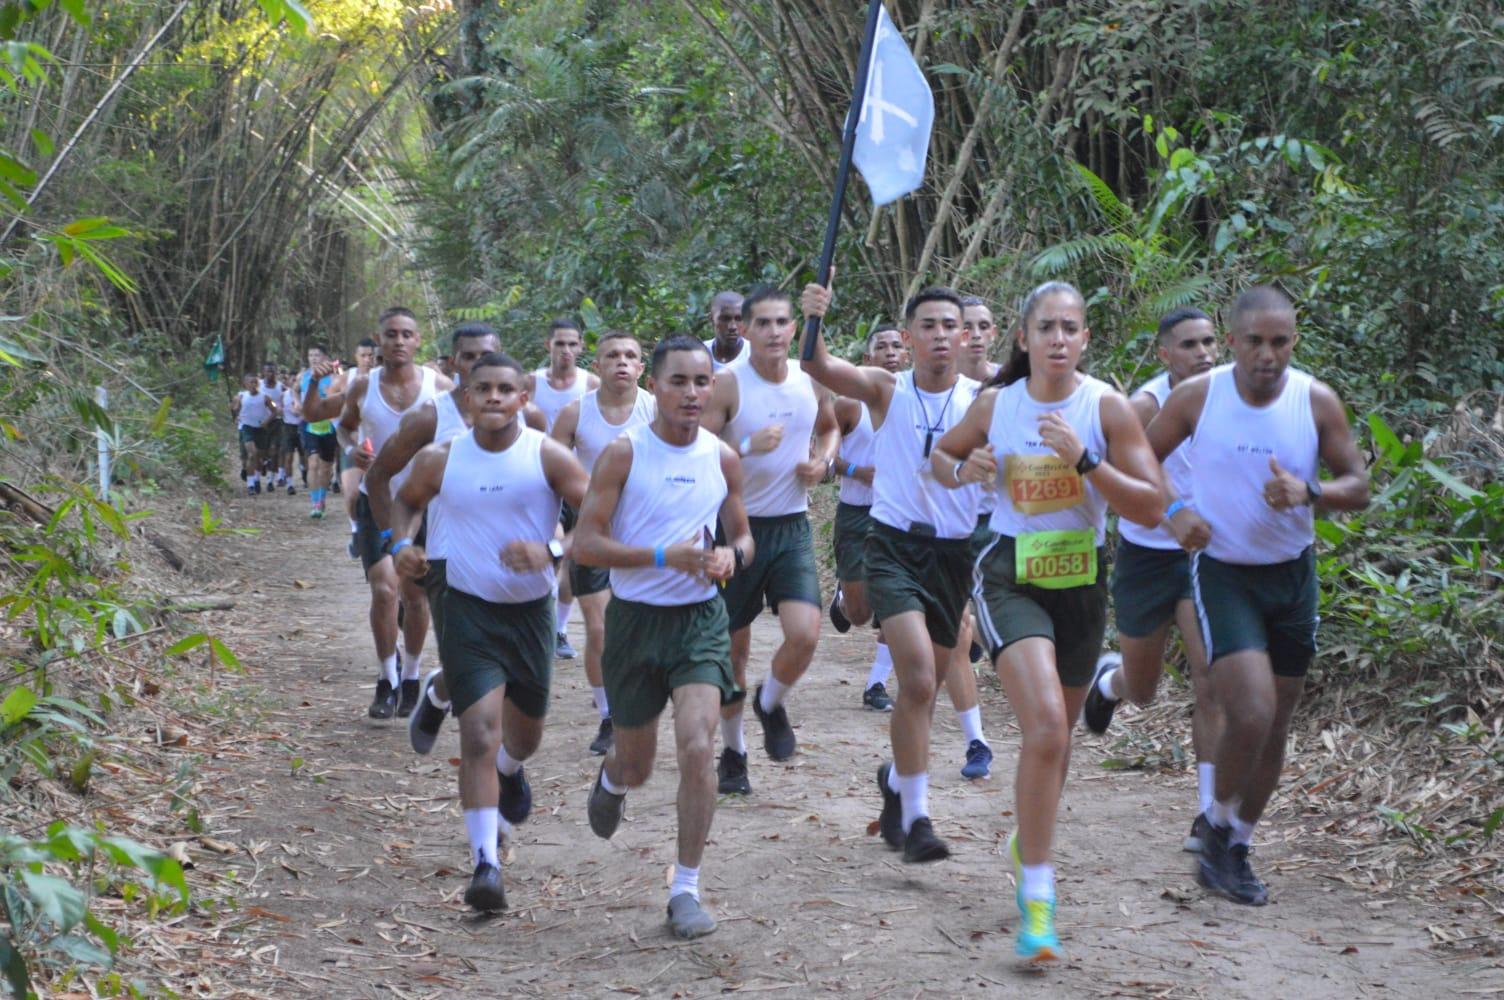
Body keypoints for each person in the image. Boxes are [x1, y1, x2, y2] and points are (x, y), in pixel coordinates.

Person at [931, 280, 1164, 961]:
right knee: (1045, 727)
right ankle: (1039, 900)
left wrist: (1086, 461)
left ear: (1085, 339)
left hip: (1080, 582)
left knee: (1055, 744)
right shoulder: (997, 404)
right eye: (1046, 328)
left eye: (1070, 327)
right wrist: (961, 468)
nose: (1058, 338)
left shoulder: (1106, 407)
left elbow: (1152, 507)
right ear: (1024, 339)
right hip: (1010, 573)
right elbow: (942, 457)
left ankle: (1025, 835)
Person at [1145, 286, 1368, 905]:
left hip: (1292, 577)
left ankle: (1233, 842)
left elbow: (1359, 483)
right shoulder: (1199, 397)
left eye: (1281, 342)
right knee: (1251, 711)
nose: (1268, 355)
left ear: (1293, 341)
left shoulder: (1314, 400)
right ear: (1234, 341)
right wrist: (1174, 510)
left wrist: (1309, 492)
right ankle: (1216, 821)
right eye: (1255, 342)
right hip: (1224, 573)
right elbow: (1140, 454)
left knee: (1277, 725)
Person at [390, 351, 590, 911]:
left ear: (524, 399)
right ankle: (485, 865)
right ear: (468, 399)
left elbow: (600, 514)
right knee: (479, 732)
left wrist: (552, 550)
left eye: (507, 389)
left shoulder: (546, 456)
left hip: (528, 612)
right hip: (465, 600)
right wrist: (401, 545)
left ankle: (495, 754)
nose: (496, 398)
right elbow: (404, 502)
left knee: (522, 738)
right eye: (485, 390)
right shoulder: (440, 458)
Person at [574, 334, 754, 940]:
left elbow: (744, 536)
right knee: (638, 762)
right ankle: (612, 780)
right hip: (634, 621)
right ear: (655, 387)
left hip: (699, 622)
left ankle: (685, 890)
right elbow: (585, 544)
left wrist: (730, 555)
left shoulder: (722, 457)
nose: (692, 392)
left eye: (702, 381)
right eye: (679, 381)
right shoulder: (625, 455)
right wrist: (659, 555)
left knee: (699, 747)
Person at [801, 282, 984, 864]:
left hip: (953, 556)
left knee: (919, 692)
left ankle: (897, 784)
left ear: (964, 336)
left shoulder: (985, 400)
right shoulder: (887, 387)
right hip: (893, 548)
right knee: (921, 680)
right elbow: (817, 364)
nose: (938, 336)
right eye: (926, 326)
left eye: (948, 326)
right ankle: (920, 817)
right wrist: (815, 318)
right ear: (907, 338)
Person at [1082, 308, 1223, 852]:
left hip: (1206, 559)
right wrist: (1172, 513)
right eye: (1189, 344)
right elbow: (1126, 472)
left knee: (1210, 680)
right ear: (1165, 354)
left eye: (1209, 341)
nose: (1203, 352)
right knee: (1143, 691)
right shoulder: (1143, 406)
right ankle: (1110, 682)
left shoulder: (1234, 398)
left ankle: (1210, 817)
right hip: (1147, 557)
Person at [366, 323, 547, 743]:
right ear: (453, 363)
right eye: (469, 357)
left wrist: (552, 543)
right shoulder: (431, 418)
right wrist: (395, 543)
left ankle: (438, 692)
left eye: (488, 354)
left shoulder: (531, 417)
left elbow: (550, 481)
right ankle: (495, 764)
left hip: (517, 553)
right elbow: (380, 477)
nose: (480, 364)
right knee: (475, 666)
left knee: (505, 662)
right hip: (447, 553)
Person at [700, 285, 839, 795]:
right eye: (765, 324)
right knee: (733, 650)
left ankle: (771, 701)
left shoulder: (811, 377)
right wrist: (744, 445)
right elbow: (698, 447)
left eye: (784, 322)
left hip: (791, 524)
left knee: (804, 633)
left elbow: (830, 429)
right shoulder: (728, 384)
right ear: (747, 329)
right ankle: (733, 753)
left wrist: (822, 462)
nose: (776, 332)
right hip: (736, 526)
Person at [336, 308, 454, 719]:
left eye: (407, 334)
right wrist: (352, 448)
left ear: (419, 341)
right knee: (385, 590)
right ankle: (386, 678)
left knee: (416, 595)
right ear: (379, 340)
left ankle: (412, 674)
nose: (399, 341)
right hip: (378, 498)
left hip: (425, 503)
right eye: (391, 334)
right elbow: (345, 426)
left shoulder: (439, 387)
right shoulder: (363, 387)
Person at [548, 331, 656, 756]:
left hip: (645, 527)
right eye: (613, 355)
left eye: (631, 355)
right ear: (597, 364)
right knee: (600, 626)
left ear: (643, 368)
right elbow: (549, 474)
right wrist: (553, 528)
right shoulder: (575, 414)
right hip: (591, 527)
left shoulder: (656, 410)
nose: (622, 362)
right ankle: (609, 715)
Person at [827, 324, 904, 711]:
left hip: (900, 517)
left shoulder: (916, 400)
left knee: (894, 600)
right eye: (881, 347)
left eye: (896, 345)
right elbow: (822, 455)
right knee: (859, 613)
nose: (890, 352)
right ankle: (843, 597)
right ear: (868, 359)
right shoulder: (848, 405)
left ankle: (876, 684)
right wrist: (858, 471)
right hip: (856, 513)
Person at [527, 318, 601, 660]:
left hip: (581, 483)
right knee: (550, 552)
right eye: (560, 344)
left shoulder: (592, 385)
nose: (567, 351)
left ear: (582, 347)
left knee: (570, 556)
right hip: (539, 481)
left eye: (573, 344)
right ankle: (539, 623)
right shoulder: (531, 383)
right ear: (548, 346)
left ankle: (558, 629)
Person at [298, 346, 340, 520]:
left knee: (325, 467)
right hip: (309, 425)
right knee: (313, 463)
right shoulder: (302, 376)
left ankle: (321, 499)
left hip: (329, 425)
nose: (313, 358)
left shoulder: (334, 378)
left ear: (325, 358)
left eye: (317, 355)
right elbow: (295, 390)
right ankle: (315, 503)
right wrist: (297, 403)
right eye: (310, 355)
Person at [232, 372, 278, 496]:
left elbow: (274, 410)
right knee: (252, 454)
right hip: (247, 427)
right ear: (245, 384)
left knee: (260, 456)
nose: (253, 385)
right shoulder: (241, 396)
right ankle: (250, 485)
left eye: (255, 382)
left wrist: (266, 422)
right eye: (250, 382)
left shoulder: (265, 397)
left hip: (260, 428)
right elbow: (234, 408)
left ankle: (257, 478)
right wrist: (236, 414)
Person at [703, 290, 749, 370]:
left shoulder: (757, 357)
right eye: (725, 319)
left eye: (739, 319)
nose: (732, 327)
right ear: (712, 319)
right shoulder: (699, 354)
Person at [279, 369, 303, 494]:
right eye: (292, 380)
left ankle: (305, 474)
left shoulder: (305, 394)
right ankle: (289, 484)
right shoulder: (284, 395)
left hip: (302, 427)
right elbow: (279, 409)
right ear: (288, 382)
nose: (294, 382)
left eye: (297, 380)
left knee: (305, 457)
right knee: (288, 457)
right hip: (288, 428)